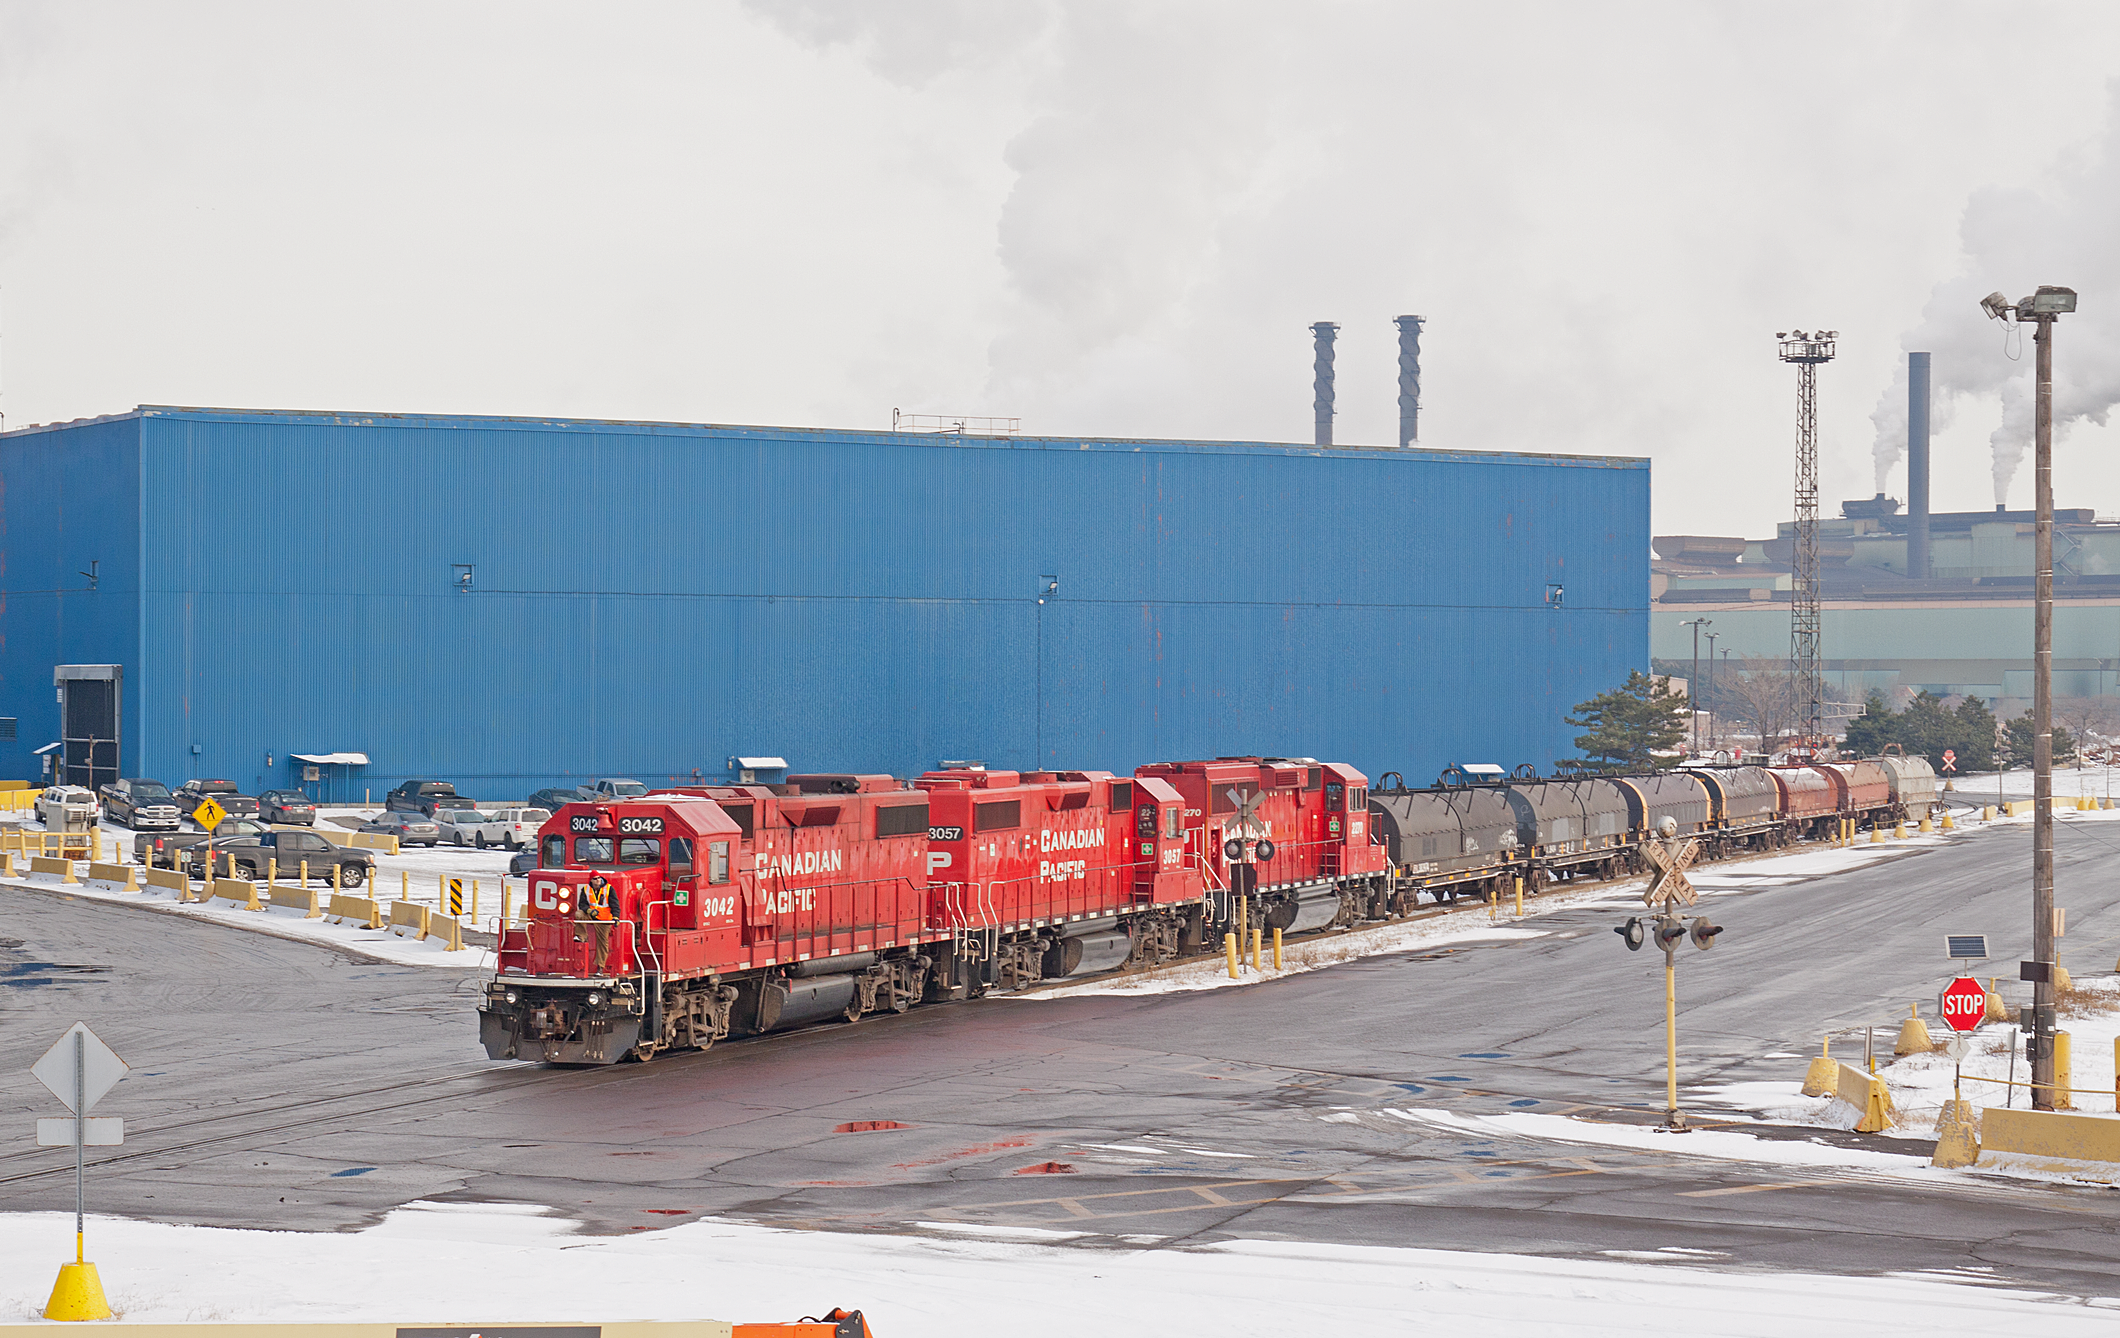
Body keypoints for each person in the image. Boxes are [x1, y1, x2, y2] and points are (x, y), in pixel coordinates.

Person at [577, 872, 617, 972]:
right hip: (591, 915)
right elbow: (582, 904)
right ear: (591, 880)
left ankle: (600, 967)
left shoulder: (609, 889)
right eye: (595, 879)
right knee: (578, 915)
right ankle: (581, 936)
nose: (598, 880)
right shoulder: (586, 889)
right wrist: (589, 910)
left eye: (599, 878)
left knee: (603, 943)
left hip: (604, 919)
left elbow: (615, 904)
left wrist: (616, 917)